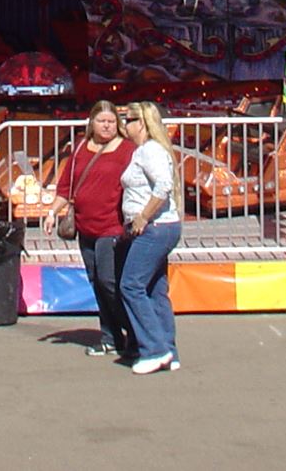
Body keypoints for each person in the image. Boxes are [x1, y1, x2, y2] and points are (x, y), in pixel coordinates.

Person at [52, 100, 137, 361]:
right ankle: (110, 337)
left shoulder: (128, 150)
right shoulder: (80, 149)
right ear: (92, 123)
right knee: (96, 283)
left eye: (112, 121)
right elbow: (66, 186)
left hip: (111, 227)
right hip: (84, 226)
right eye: (102, 121)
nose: (107, 125)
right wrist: (51, 212)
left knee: (109, 281)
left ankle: (135, 332)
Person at [117, 100, 184, 375]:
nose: (125, 125)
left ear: (142, 123)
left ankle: (154, 349)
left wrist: (143, 216)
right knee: (155, 289)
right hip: (157, 228)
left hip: (154, 228)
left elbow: (164, 185)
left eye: (129, 119)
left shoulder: (150, 152)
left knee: (130, 285)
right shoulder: (143, 152)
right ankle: (168, 349)